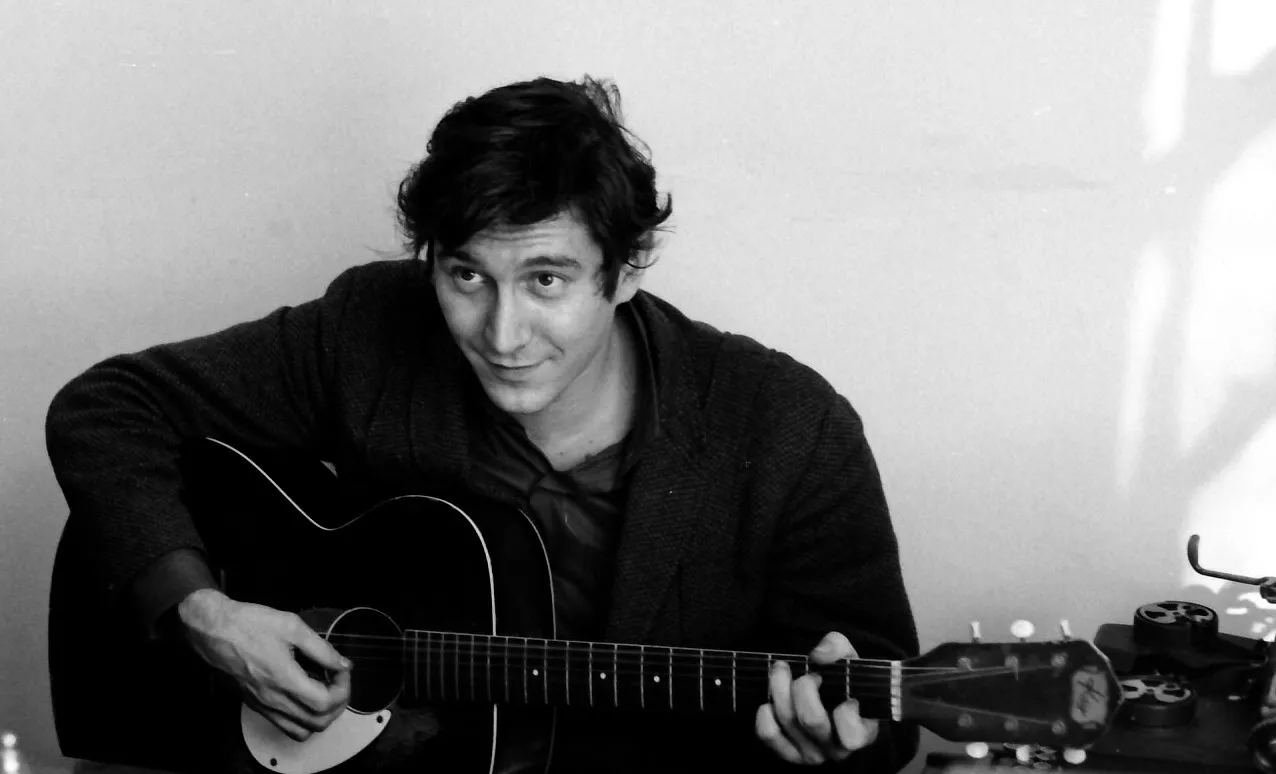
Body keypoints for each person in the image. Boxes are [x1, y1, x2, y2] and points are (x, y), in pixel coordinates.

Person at [45, 75, 919, 773]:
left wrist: (842, 744)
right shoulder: (371, 332)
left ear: (624, 272)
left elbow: (885, 708)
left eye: (546, 281)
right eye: (467, 276)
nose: (502, 336)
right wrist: (203, 612)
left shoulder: (789, 431)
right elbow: (106, 407)